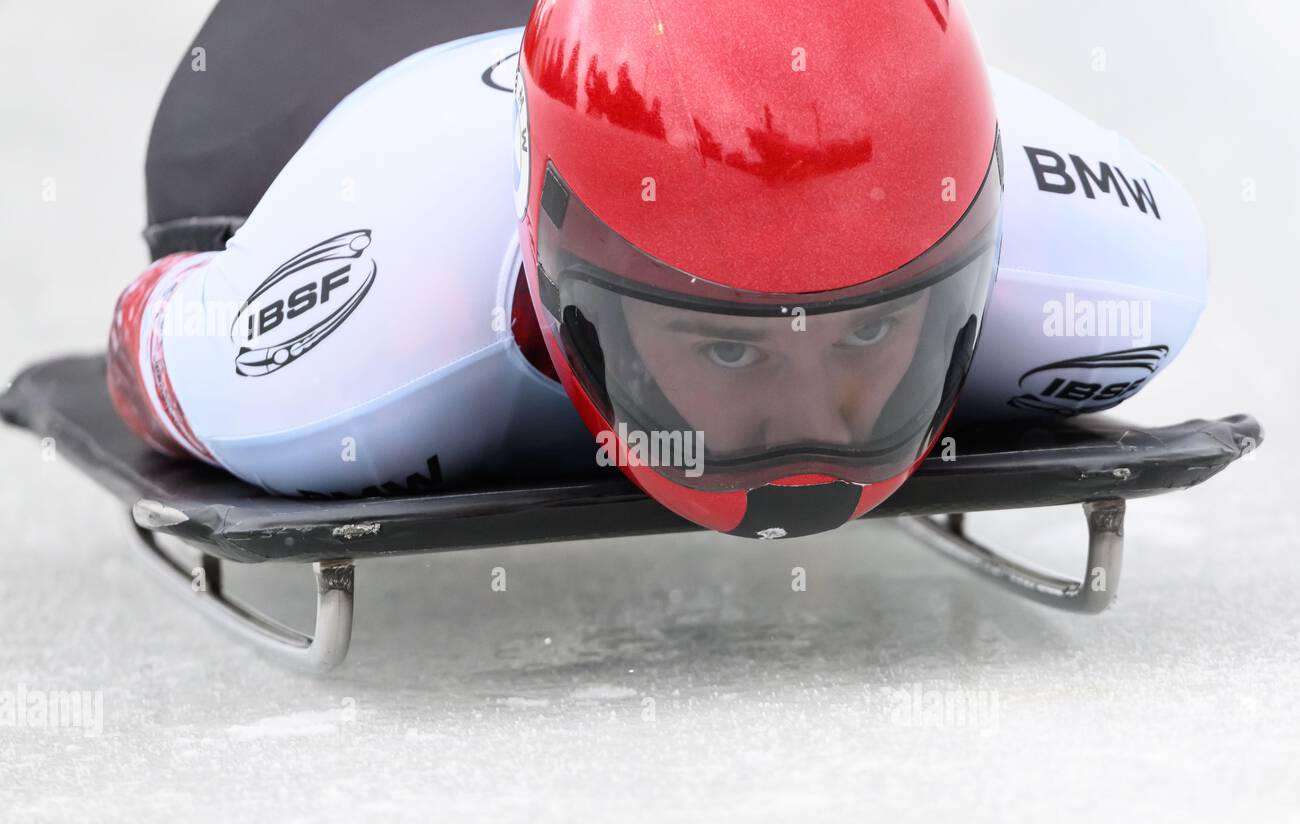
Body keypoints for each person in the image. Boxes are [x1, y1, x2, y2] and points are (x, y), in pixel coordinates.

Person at [108, 0, 1206, 522]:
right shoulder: (339, 366)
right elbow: (153, 330)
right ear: (568, 295)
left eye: (871, 327)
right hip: (337, 57)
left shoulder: (1115, 276)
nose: (808, 422)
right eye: (731, 353)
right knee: (201, 188)